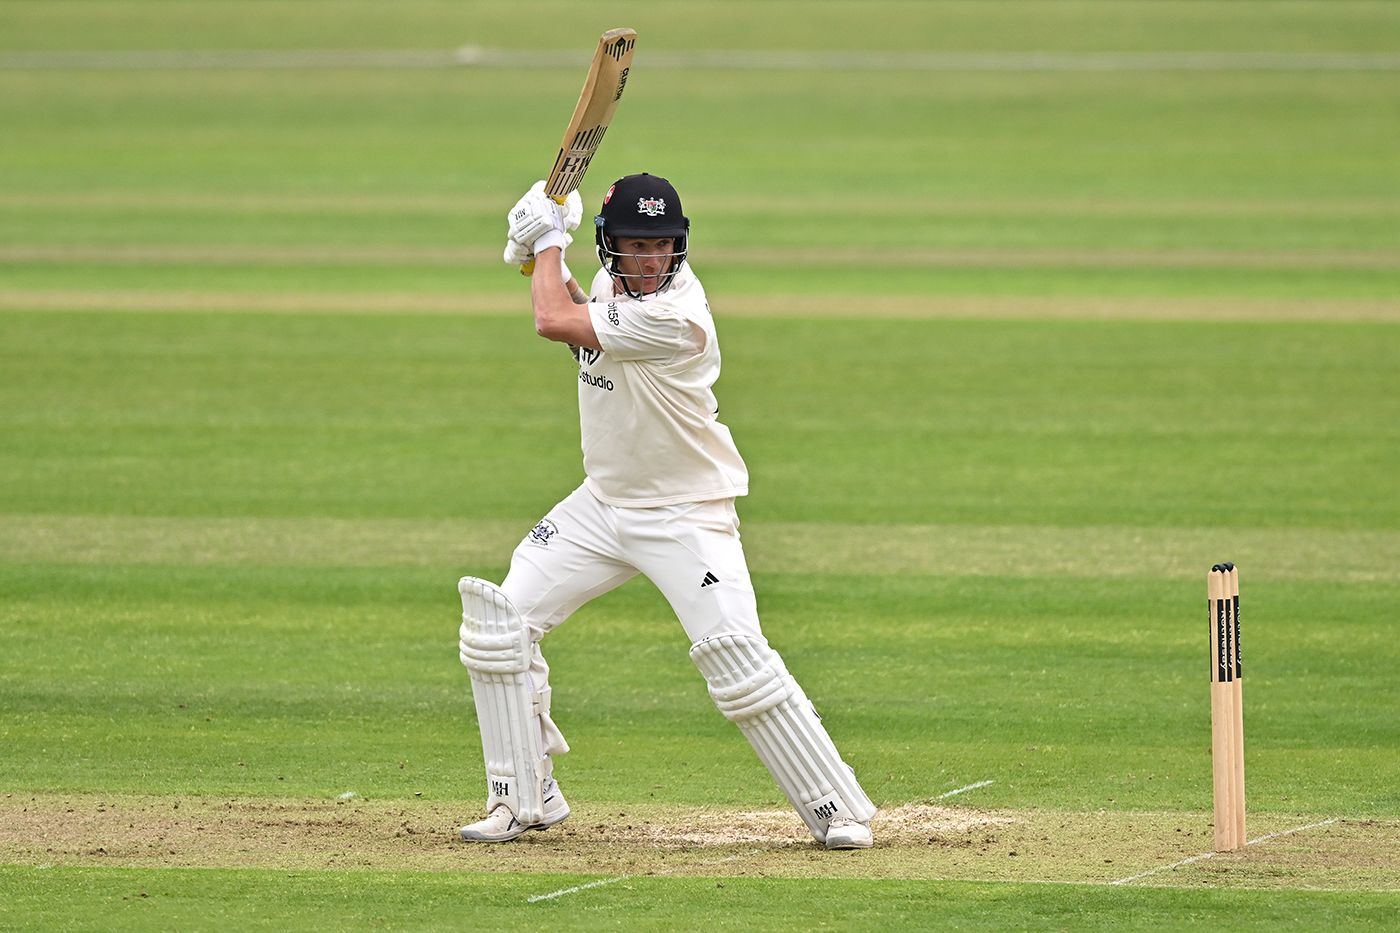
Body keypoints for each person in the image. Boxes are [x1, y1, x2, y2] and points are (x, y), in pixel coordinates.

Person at [455, 173, 876, 850]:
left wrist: (546, 239)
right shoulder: (606, 289)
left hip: (686, 515)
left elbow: (549, 320)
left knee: (737, 658)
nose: (649, 260)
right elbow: (578, 325)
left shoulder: (676, 315)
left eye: (661, 245)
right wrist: (538, 256)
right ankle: (522, 799)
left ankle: (837, 806)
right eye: (634, 245)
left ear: (678, 249)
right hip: (602, 504)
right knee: (500, 626)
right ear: (610, 246)